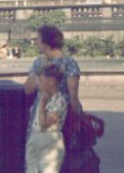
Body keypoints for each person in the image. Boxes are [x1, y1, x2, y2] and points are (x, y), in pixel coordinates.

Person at [24, 25, 82, 172]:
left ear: (45, 42)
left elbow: (27, 89)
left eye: (38, 39)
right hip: (62, 115)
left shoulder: (39, 63)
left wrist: (37, 75)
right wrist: (80, 117)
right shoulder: (70, 63)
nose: (36, 42)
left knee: (34, 163)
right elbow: (73, 96)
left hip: (40, 115)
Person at [26, 63, 69, 173]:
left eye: (41, 80)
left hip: (50, 139)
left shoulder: (59, 101)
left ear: (51, 81)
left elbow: (44, 123)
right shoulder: (43, 95)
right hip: (35, 136)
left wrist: (42, 105)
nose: (38, 83)